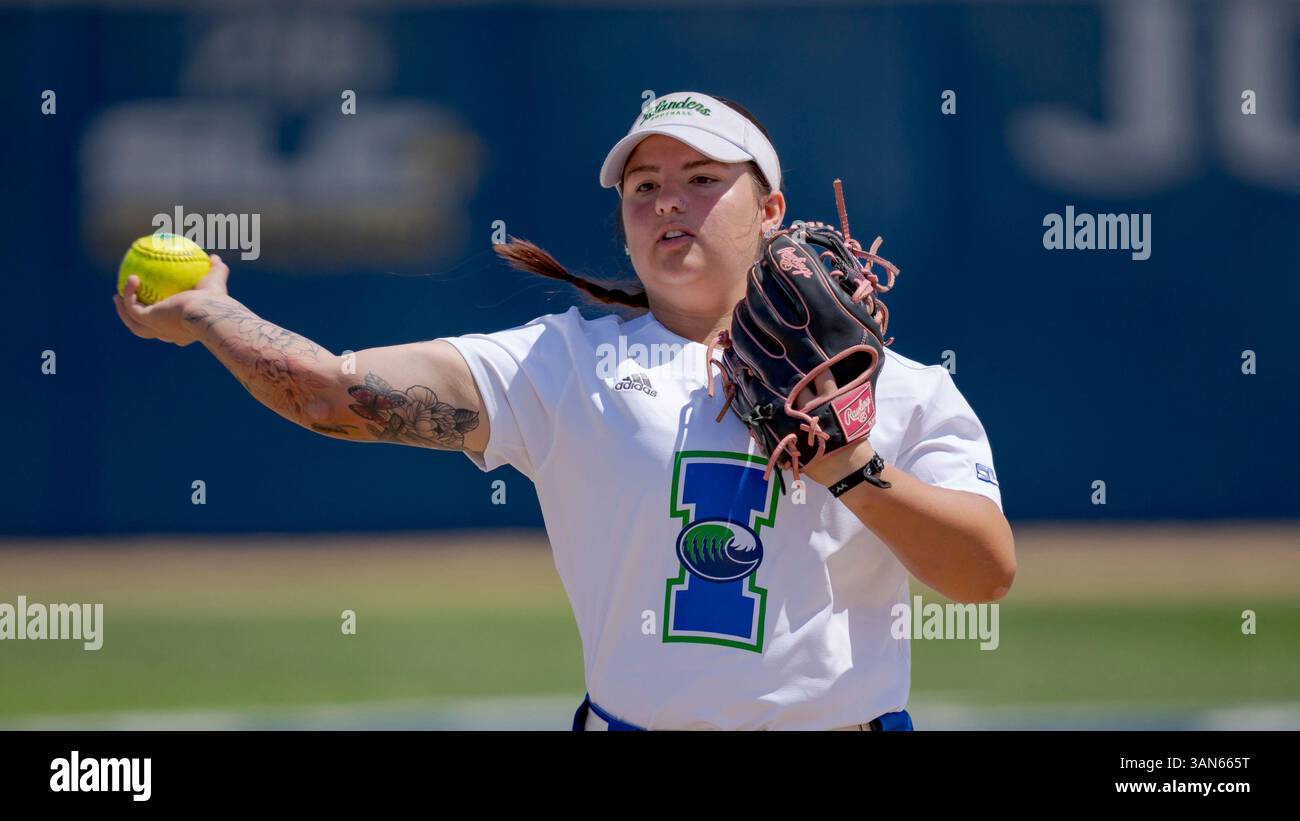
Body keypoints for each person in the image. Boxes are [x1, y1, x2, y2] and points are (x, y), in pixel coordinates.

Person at [113, 90, 1015, 731]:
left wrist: (849, 467)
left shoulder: (896, 385)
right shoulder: (561, 364)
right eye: (642, 185)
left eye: (702, 177)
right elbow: (329, 394)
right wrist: (208, 311)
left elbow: (985, 576)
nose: (667, 198)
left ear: (772, 208)